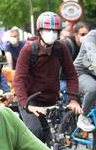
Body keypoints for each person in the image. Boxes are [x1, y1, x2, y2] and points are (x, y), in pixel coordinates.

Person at [13, 11, 82, 143]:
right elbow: (19, 79)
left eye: (55, 30)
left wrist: (73, 100)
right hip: (30, 100)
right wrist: (26, 104)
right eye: (47, 30)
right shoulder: (28, 49)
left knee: (59, 138)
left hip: (51, 99)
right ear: (40, 31)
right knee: (36, 133)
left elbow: (71, 75)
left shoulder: (60, 48)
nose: (51, 33)